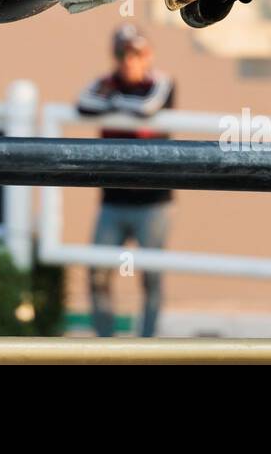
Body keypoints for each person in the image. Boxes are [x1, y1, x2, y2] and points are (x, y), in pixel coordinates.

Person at [76, 25, 175, 338]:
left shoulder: (160, 82)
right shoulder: (104, 82)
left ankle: (147, 345)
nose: (129, 60)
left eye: (136, 53)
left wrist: (114, 103)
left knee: (151, 279)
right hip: (113, 200)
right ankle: (105, 344)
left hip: (153, 203)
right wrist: (117, 102)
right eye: (123, 53)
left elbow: (149, 108)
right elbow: (82, 103)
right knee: (98, 274)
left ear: (148, 56)